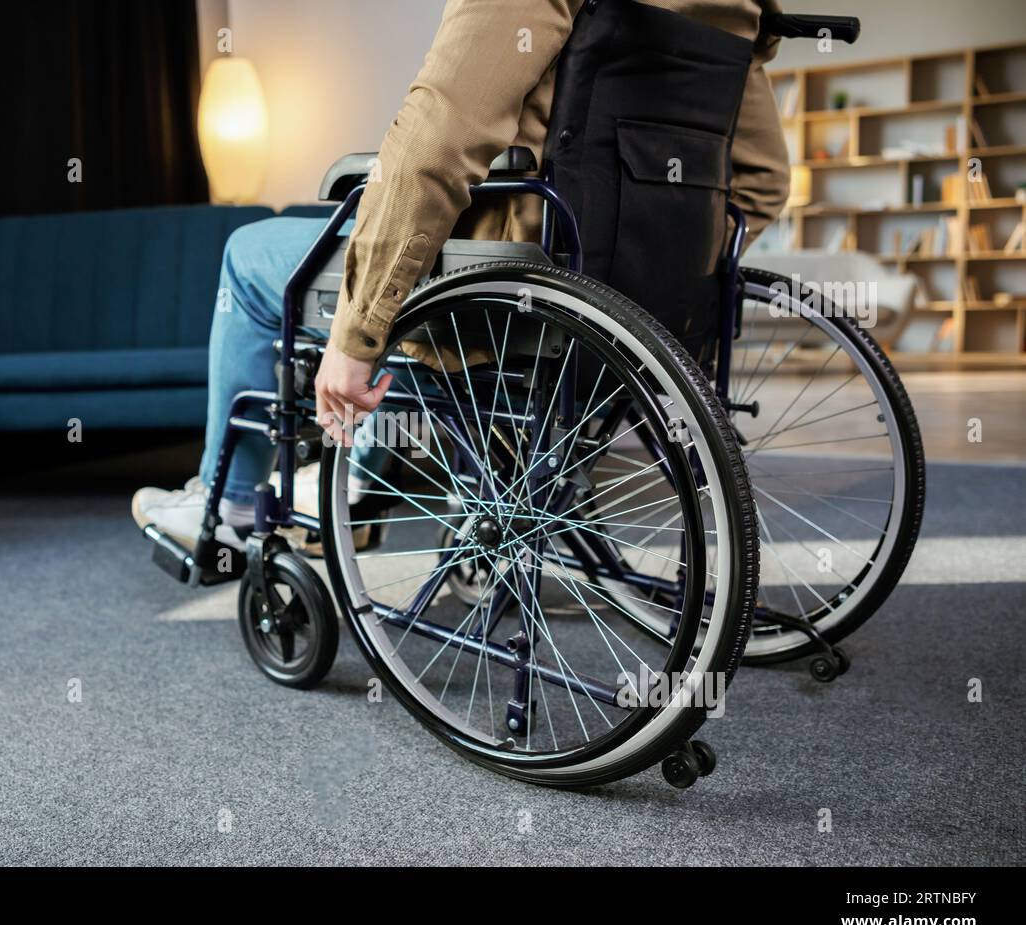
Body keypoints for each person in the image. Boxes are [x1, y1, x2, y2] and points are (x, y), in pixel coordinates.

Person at [131, 0, 790, 547]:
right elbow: (760, 184)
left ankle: (237, 503)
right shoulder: (739, 10)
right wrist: (663, 259)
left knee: (251, 253)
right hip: (642, 303)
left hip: (515, 281)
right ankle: (364, 478)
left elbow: (435, 143)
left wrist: (356, 335)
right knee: (387, 253)